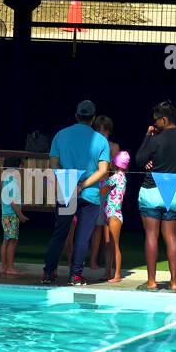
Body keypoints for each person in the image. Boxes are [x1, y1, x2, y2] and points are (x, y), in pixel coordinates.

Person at [42, 100, 111, 286]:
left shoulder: (61, 135)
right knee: (83, 236)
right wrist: (84, 184)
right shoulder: (101, 140)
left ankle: (48, 273)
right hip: (89, 196)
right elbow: (103, 170)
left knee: (61, 232)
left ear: (76, 115)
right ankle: (75, 276)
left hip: (66, 192)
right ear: (93, 118)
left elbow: (54, 163)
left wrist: (70, 181)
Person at [135, 100, 176, 292]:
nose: (154, 124)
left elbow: (139, 160)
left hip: (151, 191)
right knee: (171, 236)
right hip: (172, 192)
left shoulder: (155, 139)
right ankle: (175, 283)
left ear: (164, 119)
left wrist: (147, 137)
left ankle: (152, 282)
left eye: (156, 121)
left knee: (152, 235)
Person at [88, 115, 120, 271]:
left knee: (101, 227)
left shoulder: (113, 147)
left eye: (104, 131)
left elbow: (113, 170)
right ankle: (88, 260)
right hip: (89, 186)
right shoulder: (90, 144)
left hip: (104, 189)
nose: (101, 133)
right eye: (98, 130)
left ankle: (100, 262)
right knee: (87, 226)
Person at [101, 151, 130, 283]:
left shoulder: (116, 177)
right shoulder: (122, 176)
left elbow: (102, 190)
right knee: (108, 244)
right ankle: (108, 272)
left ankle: (117, 274)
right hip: (110, 213)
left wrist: (101, 177)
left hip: (114, 214)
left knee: (114, 245)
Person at [0, 157, 28, 276]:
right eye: (21, 166)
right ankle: (10, 267)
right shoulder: (12, 180)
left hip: (6, 214)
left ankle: (4, 266)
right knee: (12, 241)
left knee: (6, 240)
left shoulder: (5, 179)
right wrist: (20, 215)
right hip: (11, 215)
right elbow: (12, 201)